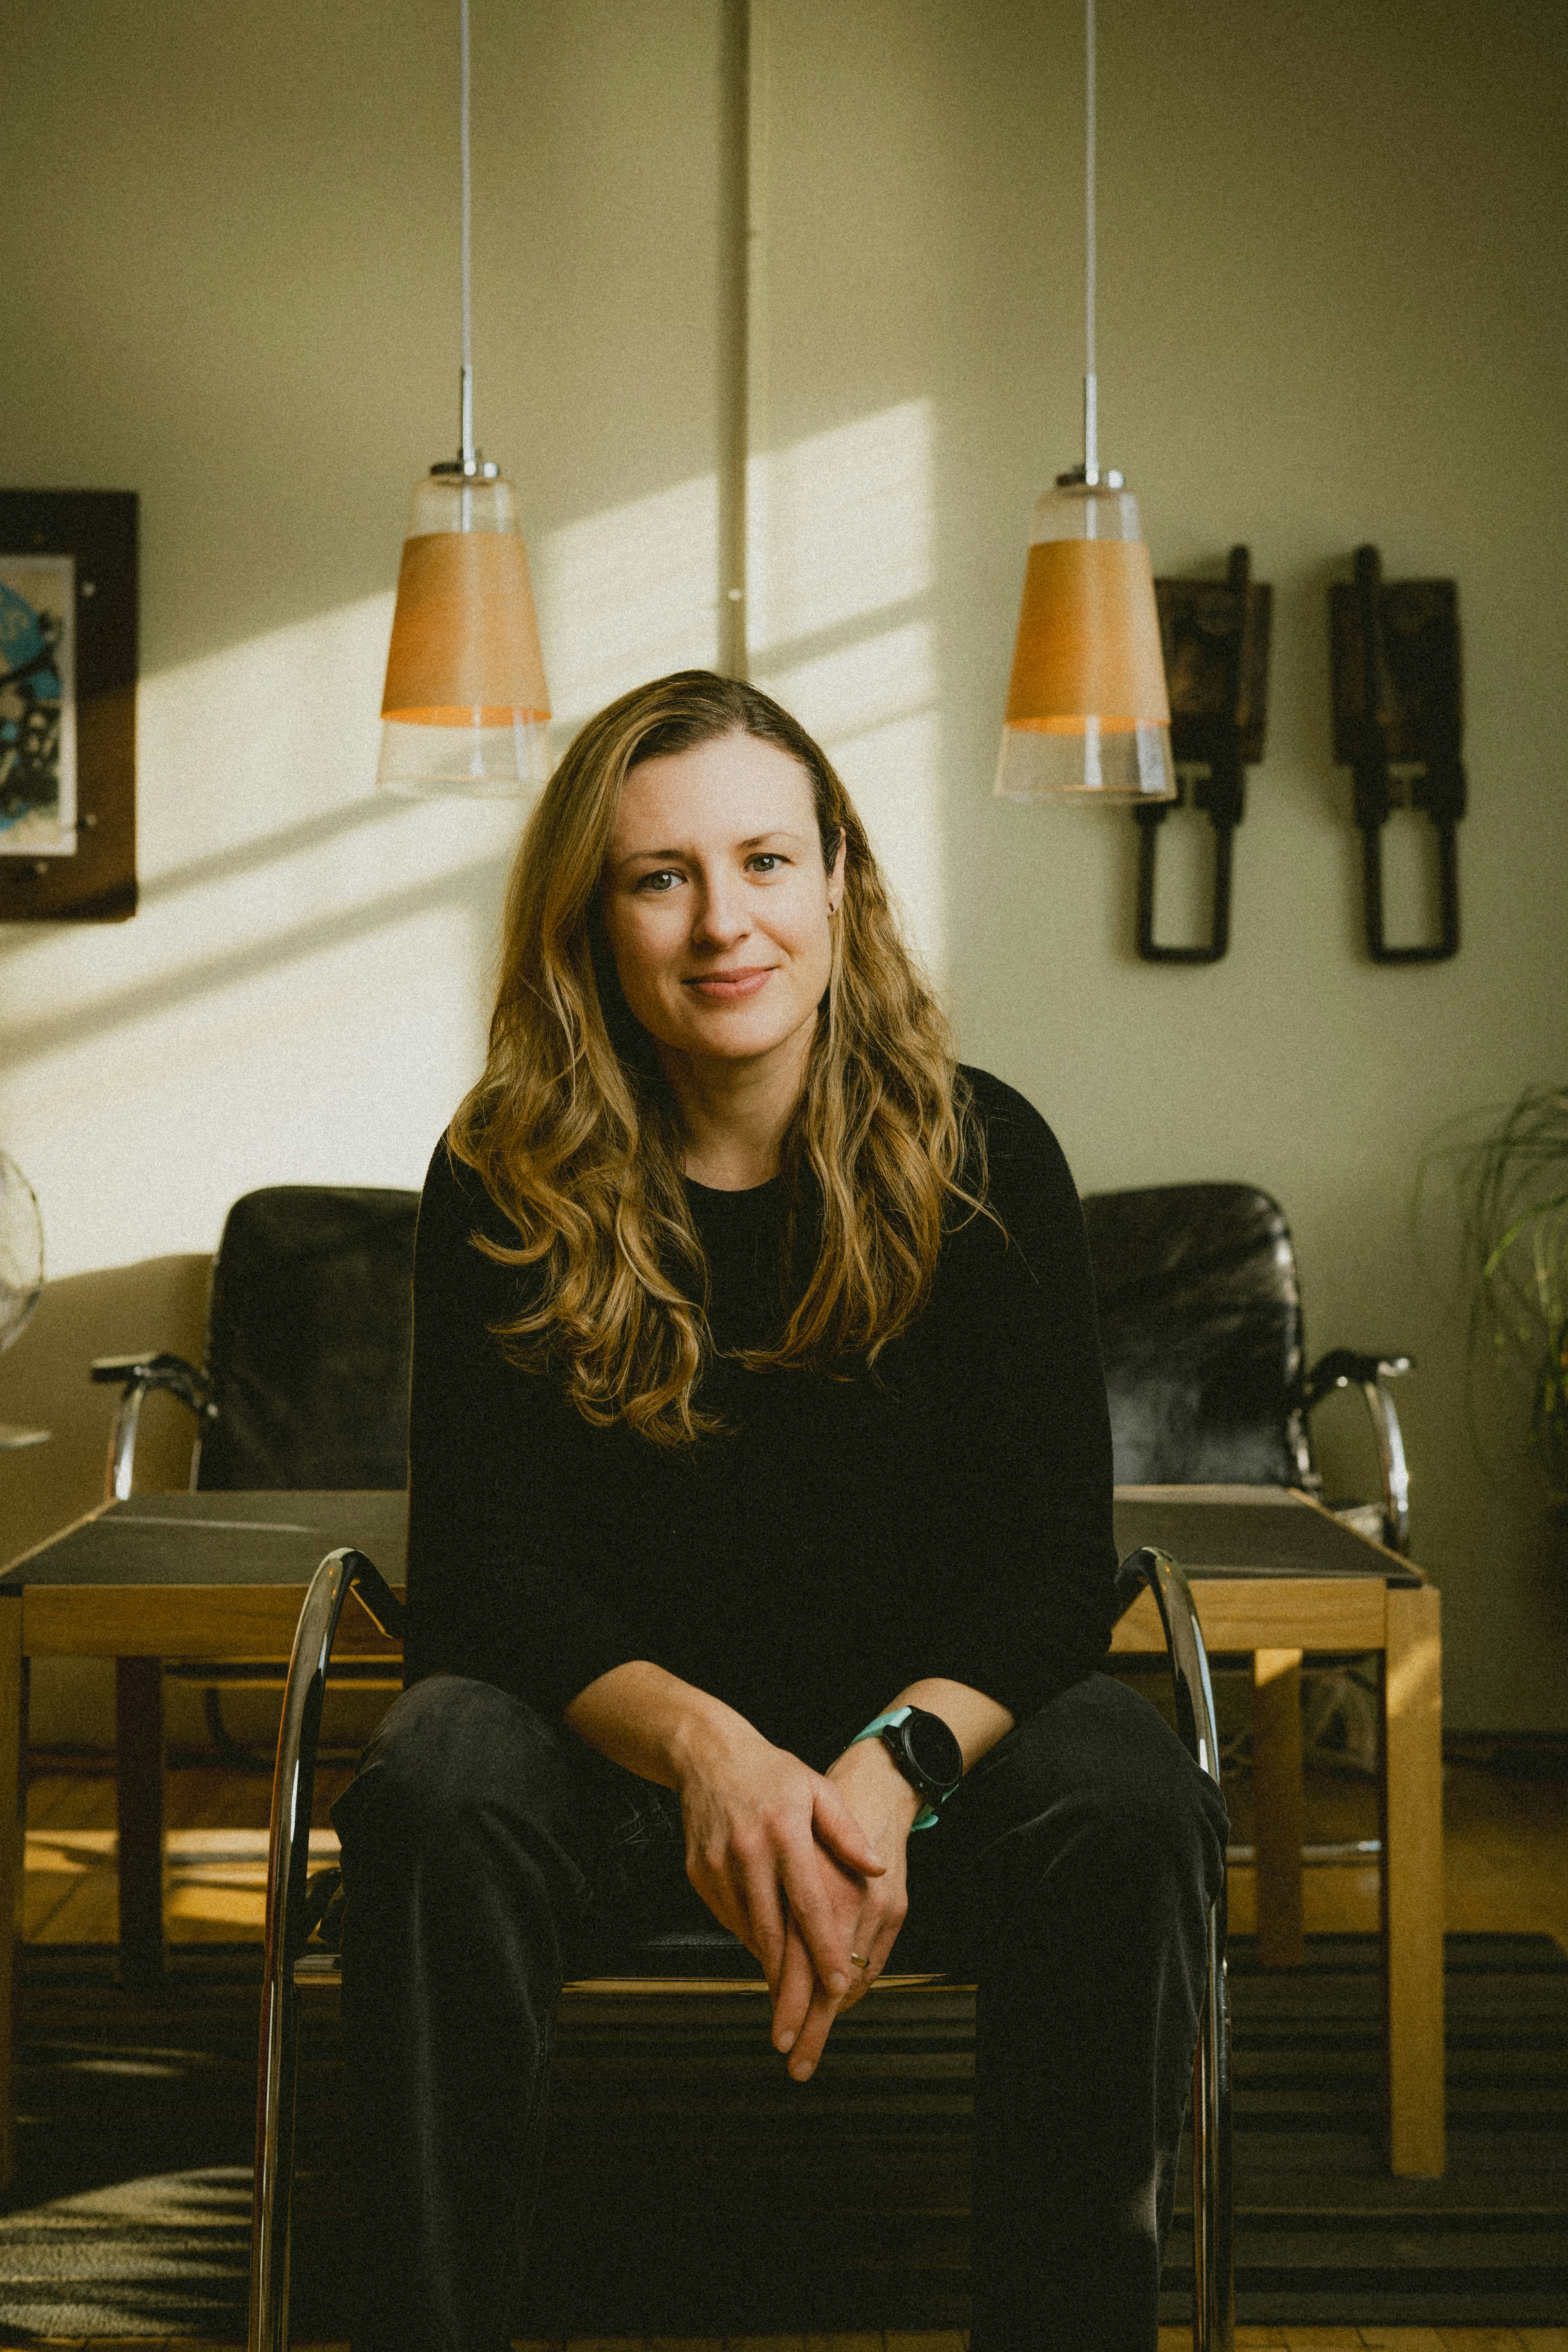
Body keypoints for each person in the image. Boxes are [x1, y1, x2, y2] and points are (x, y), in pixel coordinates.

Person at [332, 669, 1227, 2352]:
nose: (720, 922)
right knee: (435, 1773)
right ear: (590, 922)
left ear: (838, 883)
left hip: (922, 1767)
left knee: (1132, 1797)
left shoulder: (986, 1155)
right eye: (659, 875)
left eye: (763, 860)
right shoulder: (501, 1166)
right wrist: (710, 1755)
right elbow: (482, 1580)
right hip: (613, 1765)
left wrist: (892, 1760)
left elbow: (1052, 1569)